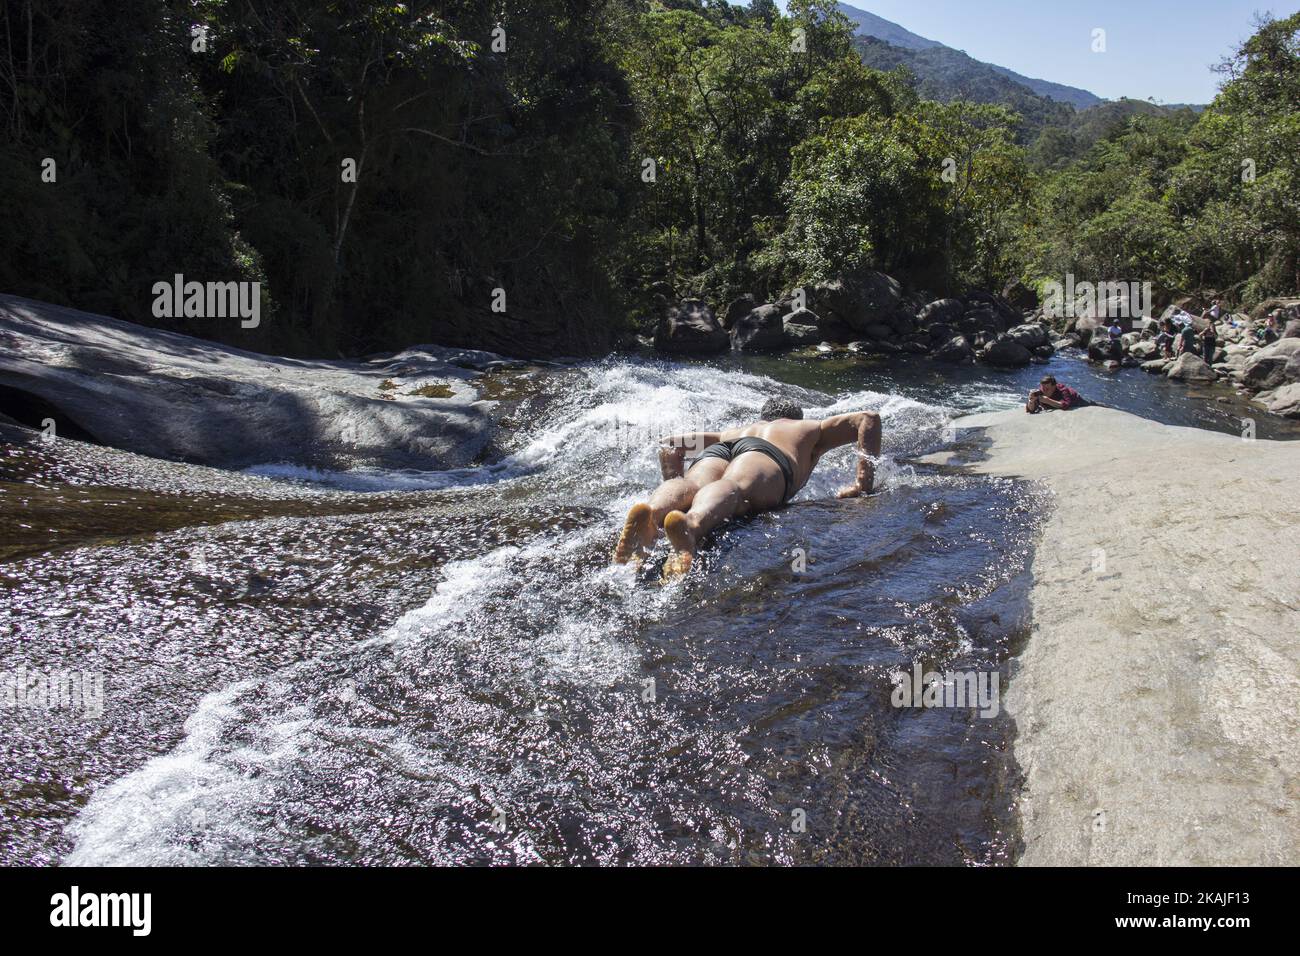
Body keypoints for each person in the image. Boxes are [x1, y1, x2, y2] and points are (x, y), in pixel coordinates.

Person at [612, 398, 882, 580]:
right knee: (733, 487)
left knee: (693, 484)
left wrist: (677, 488)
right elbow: (867, 418)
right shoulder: (809, 428)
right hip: (767, 454)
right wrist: (863, 483)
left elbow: (670, 446)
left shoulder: (733, 430)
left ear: (763, 417)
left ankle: (654, 513)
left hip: (721, 447)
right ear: (794, 417)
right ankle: (690, 527)